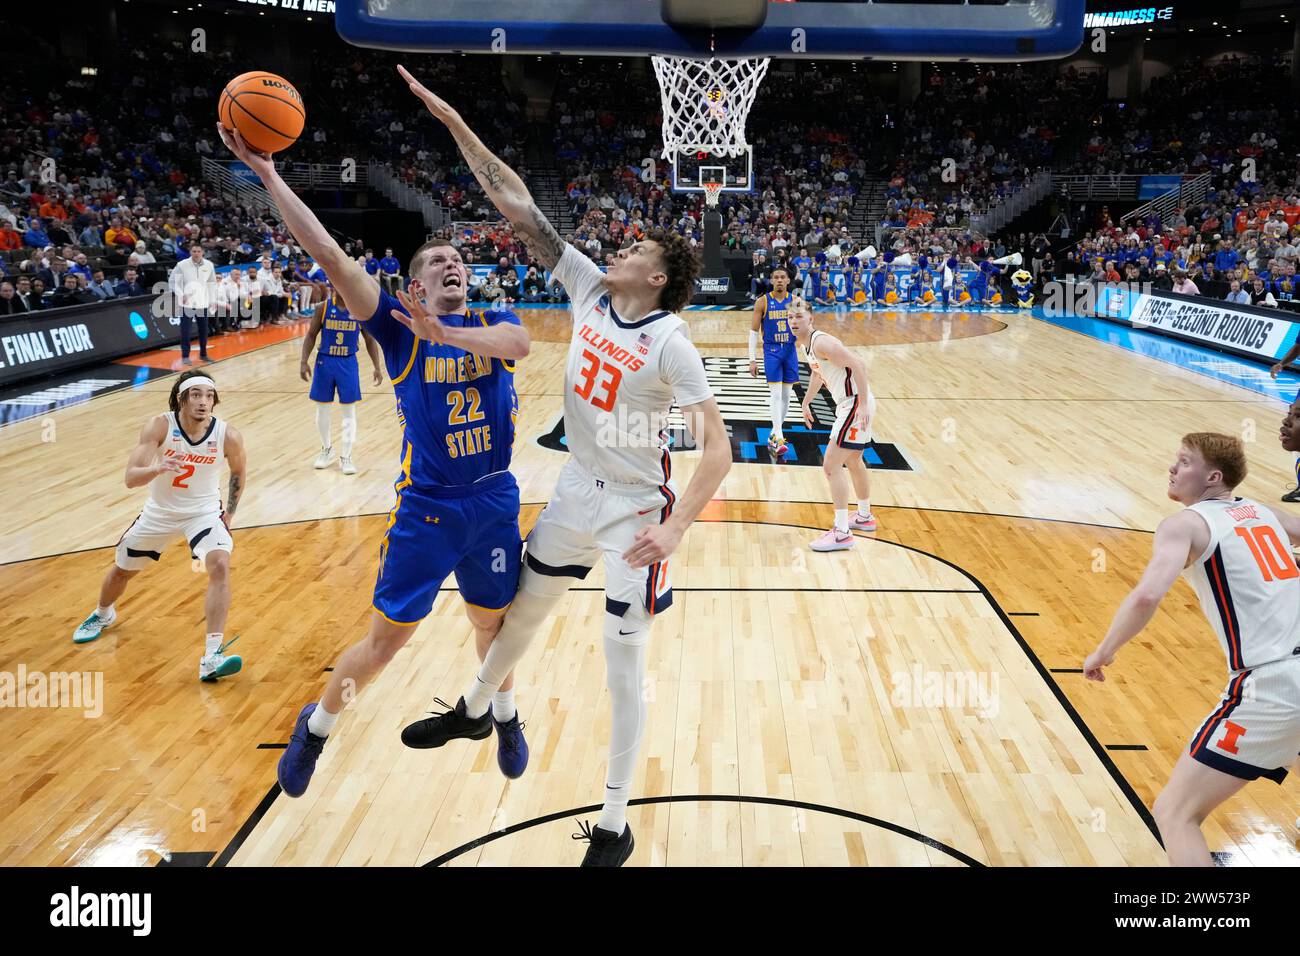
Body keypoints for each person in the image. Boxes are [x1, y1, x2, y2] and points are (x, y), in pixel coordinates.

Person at [394, 65, 731, 867]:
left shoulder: (672, 341)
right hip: (577, 488)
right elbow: (518, 204)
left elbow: (715, 446)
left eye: (638, 249)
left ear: (657, 279)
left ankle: (615, 824)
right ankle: (478, 709)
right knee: (522, 614)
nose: (619, 247)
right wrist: (455, 125)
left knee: (622, 665)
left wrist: (677, 528)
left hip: (637, 514)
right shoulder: (584, 286)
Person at [216, 120, 535, 798]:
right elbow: (331, 257)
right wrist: (269, 175)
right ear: (413, 289)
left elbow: (520, 348)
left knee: (493, 627)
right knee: (386, 644)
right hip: (429, 508)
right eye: (436, 265)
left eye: (459, 264)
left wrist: (446, 329)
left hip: (496, 498)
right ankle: (318, 728)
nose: (453, 266)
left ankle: (503, 717)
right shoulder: (396, 331)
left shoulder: (496, 323)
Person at [1084, 432, 1300, 866]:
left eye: (1184, 462)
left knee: (1175, 813)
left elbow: (1147, 596)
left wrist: (1105, 649)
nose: (1172, 468)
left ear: (1212, 477)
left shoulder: (1183, 525)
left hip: (1271, 685)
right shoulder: (1264, 512)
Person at [71, 371, 248, 682]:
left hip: (203, 513)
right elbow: (130, 479)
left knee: (220, 564)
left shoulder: (228, 435)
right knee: (122, 570)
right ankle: (102, 613)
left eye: (208, 396)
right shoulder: (160, 426)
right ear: (182, 399)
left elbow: (237, 473)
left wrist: (229, 514)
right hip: (159, 513)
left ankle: (211, 656)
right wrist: (157, 467)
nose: (203, 402)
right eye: (195, 395)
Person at [790, 298, 877, 550]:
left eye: (799, 316)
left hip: (853, 404)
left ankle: (841, 533)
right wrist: (806, 403)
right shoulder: (807, 346)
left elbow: (858, 365)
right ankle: (863, 516)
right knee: (853, 460)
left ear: (810, 319)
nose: (794, 321)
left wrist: (860, 404)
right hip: (852, 403)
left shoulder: (821, 341)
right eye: (791, 317)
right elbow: (819, 374)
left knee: (830, 465)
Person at [300, 282, 384, 474]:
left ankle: (346, 456)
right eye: (338, 285)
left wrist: (377, 367)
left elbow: (370, 339)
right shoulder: (322, 308)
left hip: (348, 363)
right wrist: (303, 361)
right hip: (325, 362)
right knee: (322, 410)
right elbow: (311, 335)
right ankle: (326, 448)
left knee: (348, 412)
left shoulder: (359, 309)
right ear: (333, 287)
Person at [748, 266, 796, 457]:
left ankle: (774, 433)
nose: (779, 280)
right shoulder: (762, 302)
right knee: (776, 395)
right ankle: (779, 436)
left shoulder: (796, 302)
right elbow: (753, 332)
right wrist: (752, 359)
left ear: (788, 281)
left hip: (790, 350)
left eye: (782, 277)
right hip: (772, 351)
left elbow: (804, 330)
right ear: (771, 280)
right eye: (775, 277)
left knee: (787, 397)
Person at [171, 244, 214, 364]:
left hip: (202, 303)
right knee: (186, 331)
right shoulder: (182, 265)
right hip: (187, 303)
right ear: (190, 252)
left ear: (203, 252)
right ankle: (185, 356)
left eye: (199, 251)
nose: (196, 253)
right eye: (194, 251)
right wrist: (181, 294)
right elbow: (172, 282)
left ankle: (204, 354)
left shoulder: (209, 265)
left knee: (204, 330)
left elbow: (212, 283)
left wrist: (212, 300)